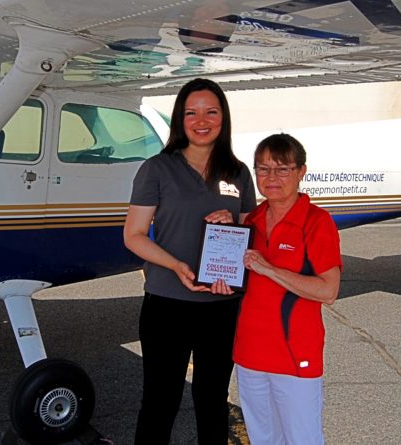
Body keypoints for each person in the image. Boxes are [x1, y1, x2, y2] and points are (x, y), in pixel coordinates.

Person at [123, 77, 257, 444]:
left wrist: (234, 222)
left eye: (211, 112)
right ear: (180, 120)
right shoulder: (157, 168)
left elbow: (251, 232)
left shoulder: (238, 172)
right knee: (160, 403)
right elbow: (134, 235)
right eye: (191, 113)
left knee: (212, 402)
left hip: (221, 306)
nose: (201, 121)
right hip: (168, 305)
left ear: (223, 118)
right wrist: (175, 266)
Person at [234, 133, 342, 445]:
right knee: (263, 440)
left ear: (301, 172)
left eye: (282, 169)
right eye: (263, 169)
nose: (271, 178)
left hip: (294, 357)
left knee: (302, 440)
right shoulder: (252, 221)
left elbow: (328, 291)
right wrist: (222, 231)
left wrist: (269, 269)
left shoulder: (316, 222)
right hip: (249, 354)